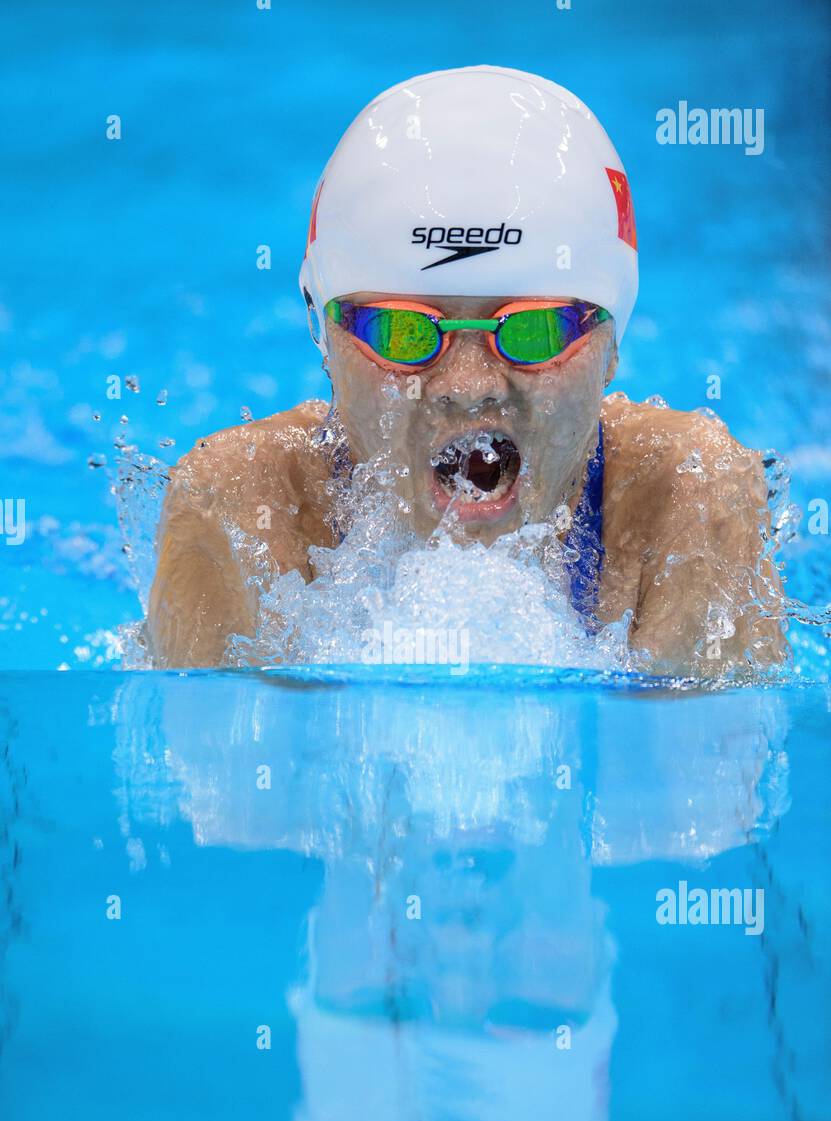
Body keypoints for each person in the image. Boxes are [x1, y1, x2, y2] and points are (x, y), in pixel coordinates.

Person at [148, 66, 784, 671]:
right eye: (404, 332)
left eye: (532, 331)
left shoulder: (687, 501)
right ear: (324, 335)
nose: (469, 387)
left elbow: (691, 775)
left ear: (612, 344)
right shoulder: (240, 512)